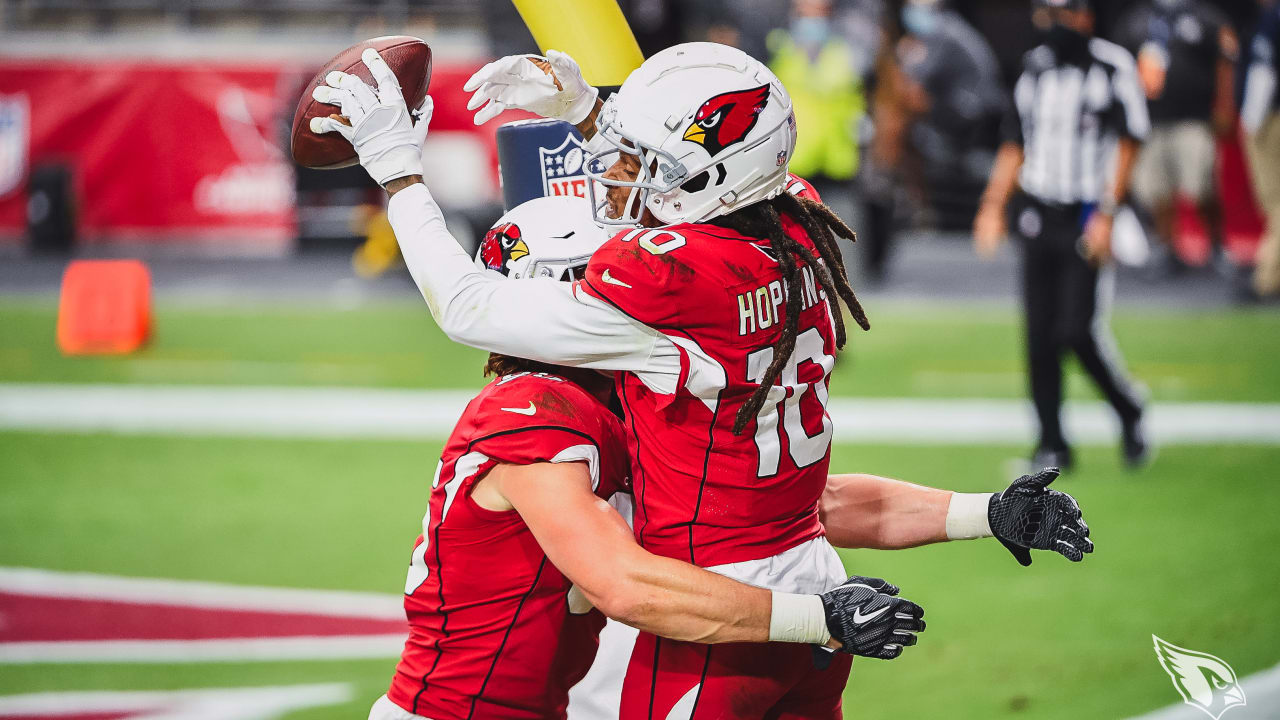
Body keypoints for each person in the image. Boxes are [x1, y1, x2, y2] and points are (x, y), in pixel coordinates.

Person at [314, 44, 1092, 719]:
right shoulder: (791, 229)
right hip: (805, 573)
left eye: (644, 162)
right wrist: (590, 111)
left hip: (716, 615)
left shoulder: (627, 325)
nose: (617, 179)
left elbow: (469, 308)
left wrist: (397, 172)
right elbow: (804, 500)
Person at [366, 196, 923, 720]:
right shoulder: (533, 409)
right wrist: (817, 618)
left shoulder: (625, 404)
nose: (636, 303)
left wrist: (983, 514)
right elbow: (625, 585)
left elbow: (772, 503)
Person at [973, 0, 1152, 471]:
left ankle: (1127, 407)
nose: (1056, 25)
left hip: (1086, 211)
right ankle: (1052, 442)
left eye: (1064, 13)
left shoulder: (1112, 66)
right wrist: (992, 205)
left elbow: (1129, 139)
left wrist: (1107, 214)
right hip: (1038, 209)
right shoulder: (1035, 70)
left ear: (1086, 16)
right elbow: (1016, 142)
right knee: (1038, 336)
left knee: (1075, 330)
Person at [1117, 0, 1240, 275]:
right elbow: (1121, 65)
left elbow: (1225, 61)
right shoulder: (1137, 19)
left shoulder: (1205, 17)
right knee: (1155, 192)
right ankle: (1167, 249)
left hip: (1193, 117)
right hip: (1150, 121)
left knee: (1201, 188)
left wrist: (1224, 104)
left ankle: (1217, 246)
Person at [1240, 0, 1280, 299]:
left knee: (1276, 201)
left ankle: (1267, 278)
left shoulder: (1272, 18)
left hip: (1272, 118)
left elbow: (1263, 73)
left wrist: (1251, 121)